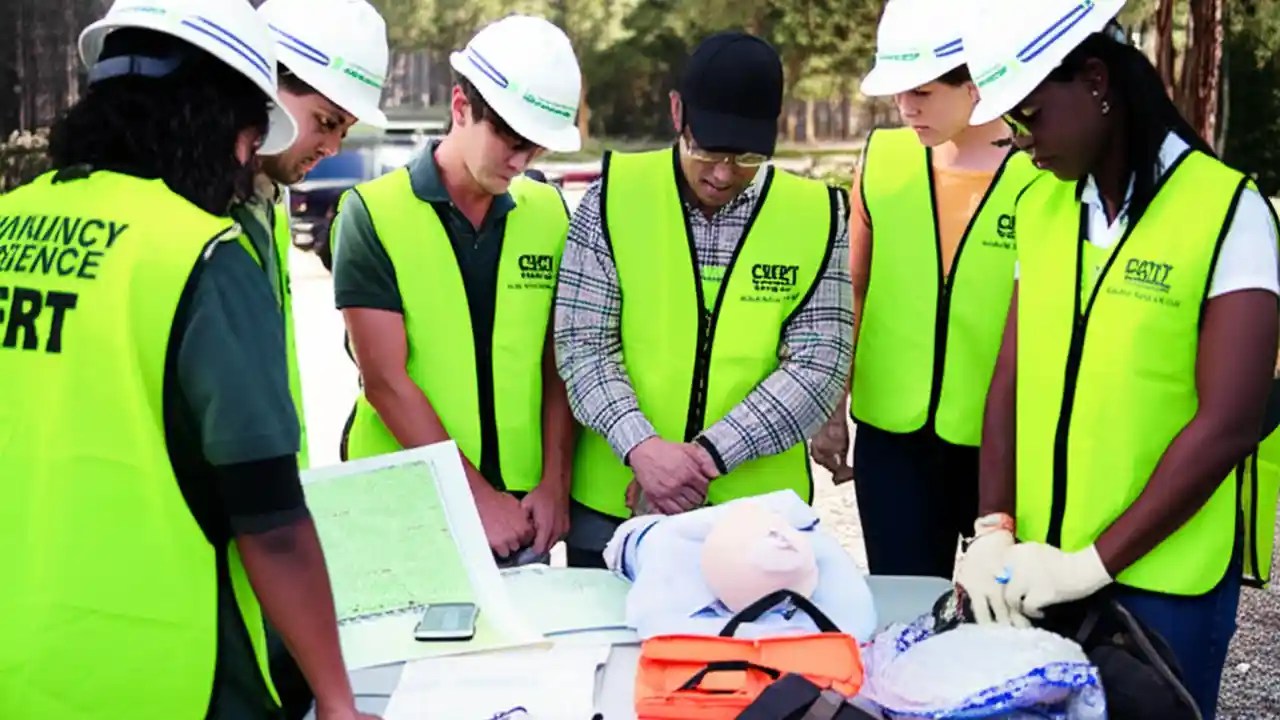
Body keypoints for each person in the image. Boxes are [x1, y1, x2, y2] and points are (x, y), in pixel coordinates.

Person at [0, 1, 374, 719]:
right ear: (214, 120)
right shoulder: (200, 253)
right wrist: (336, 700)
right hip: (162, 671)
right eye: (248, 132)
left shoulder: (13, 221)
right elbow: (268, 518)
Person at [954, 1, 1280, 716]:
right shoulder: (1043, 208)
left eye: (1031, 116)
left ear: (1096, 82)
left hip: (1162, 587)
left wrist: (1090, 565)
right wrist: (991, 529)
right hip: (1036, 570)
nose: (1021, 142)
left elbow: (1231, 421)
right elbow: (1010, 380)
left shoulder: (1229, 211)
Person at [555, 31, 853, 568]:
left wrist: (702, 459)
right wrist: (643, 450)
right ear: (676, 113)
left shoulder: (819, 216)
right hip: (612, 509)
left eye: (746, 157)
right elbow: (582, 347)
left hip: (761, 520)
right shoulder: (611, 200)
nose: (722, 174)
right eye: (708, 149)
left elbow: (819, 365)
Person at [332, 14, 581, 566]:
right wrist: (474, 498)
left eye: (535, 149)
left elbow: (556, 361)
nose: (520, 162)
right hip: (404, 508)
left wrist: (553, 482)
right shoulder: (372, 213)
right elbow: (385, 381)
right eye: (510, 142)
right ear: (461, 107)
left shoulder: (549, 214)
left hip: (520, 518)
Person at [808, 0, 1040, 580]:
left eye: (923, 91)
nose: (905, 107)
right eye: (898, 92)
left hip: (1007, 441)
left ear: (978, 81)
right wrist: (833, 409)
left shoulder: (1043, 173)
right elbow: (852, 289)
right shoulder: (882, 159)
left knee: (1004, 615)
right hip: (894, 441)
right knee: (904, 606)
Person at [231, 0, 390, 475]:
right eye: (325, 121)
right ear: (263, 87)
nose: (333, 147)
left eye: (344, 129)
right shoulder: (187, 211)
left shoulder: (267, 206)